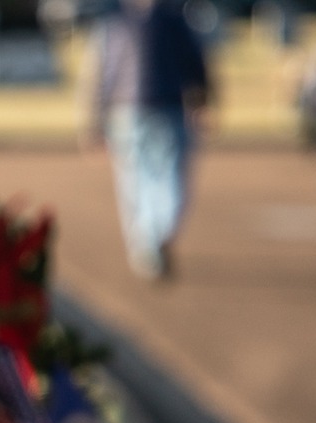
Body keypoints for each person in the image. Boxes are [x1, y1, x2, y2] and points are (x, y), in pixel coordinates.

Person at [88, 0, 213, 281]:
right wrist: (203, 99)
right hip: (165, 107)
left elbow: (101, 74)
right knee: (170, 177)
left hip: (127, 111)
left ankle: (146, 245)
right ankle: (159, 232)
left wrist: (94, 122)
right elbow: (196, 62)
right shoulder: (174, 18)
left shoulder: (113, 22)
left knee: (134, 182)